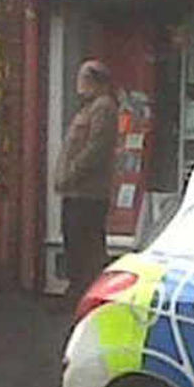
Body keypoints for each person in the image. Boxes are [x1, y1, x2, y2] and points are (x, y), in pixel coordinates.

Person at [56, 59, 118, 300]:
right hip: (75, 191)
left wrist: (72, 173)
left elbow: (96, 148)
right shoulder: (88, 108)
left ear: (95, 82)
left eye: (83, 78)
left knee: (86, 245)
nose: (79, 84)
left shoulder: (103, 107)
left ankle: (85, 293)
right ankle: (76, 290)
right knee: (73, 243)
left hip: (88, 191)